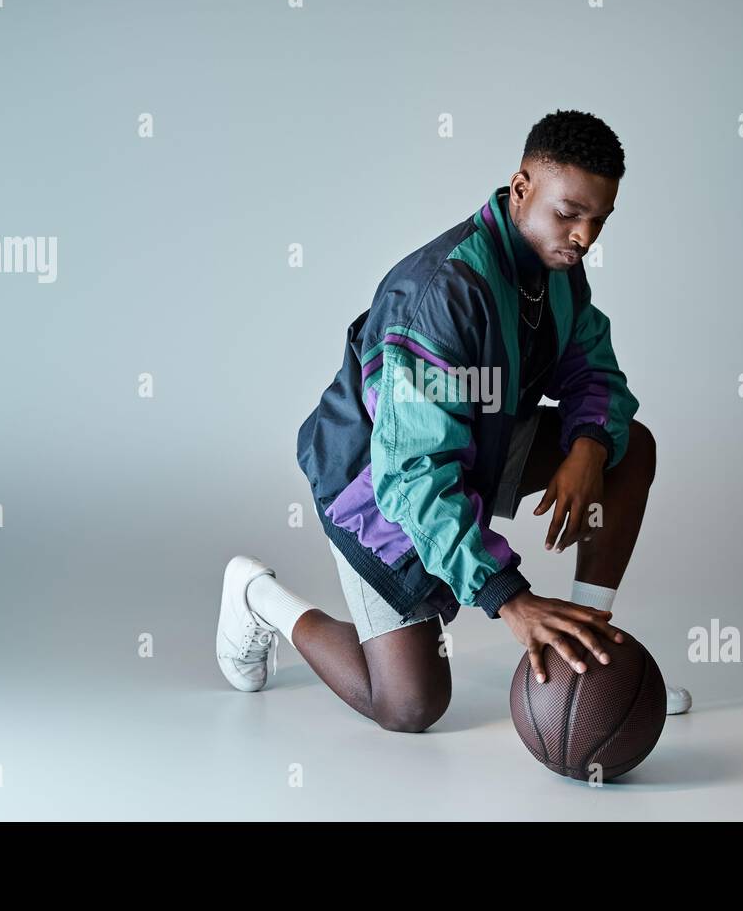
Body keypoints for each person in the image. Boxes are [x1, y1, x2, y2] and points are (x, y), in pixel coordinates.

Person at [217, 109, 691, 732]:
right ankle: (260, 599)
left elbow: (593, 371)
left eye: (599, 220)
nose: (583, 237)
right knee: (409, 705)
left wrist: (589, 448)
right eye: (569, 213)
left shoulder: (559, 271)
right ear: (521, 188)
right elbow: (413, 474)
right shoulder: (439, 296)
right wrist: (509, 597)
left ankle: (589, 654)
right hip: (379, 480)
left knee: (630, 449)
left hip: (477, 444)